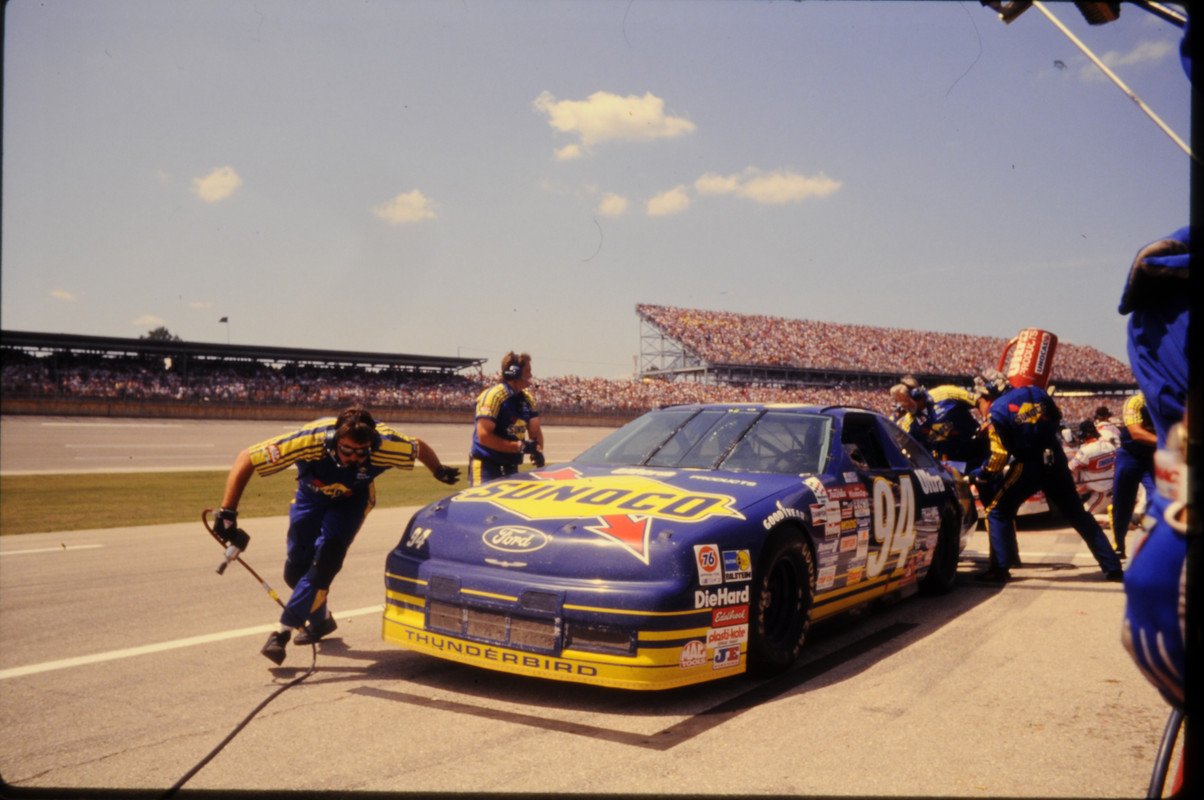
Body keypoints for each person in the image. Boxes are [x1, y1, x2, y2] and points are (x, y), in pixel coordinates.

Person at [213, 407, 460, 665]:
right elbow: (248, 458)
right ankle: (321, 620)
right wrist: (228, 512)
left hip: (352, 501)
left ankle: (282, 632)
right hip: (310, 498)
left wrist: (438, 470)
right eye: (347, 450)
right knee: (295, 573)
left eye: (362, 452)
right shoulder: (309, 440)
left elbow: (417, 447)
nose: (354, 457)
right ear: (333, 440)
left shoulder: (388, 445)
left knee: (326, 563)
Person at [1116, 225, 1190, 718]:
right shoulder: (1133, 403)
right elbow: (1138, 430)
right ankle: (1116, 546)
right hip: (1148, 460)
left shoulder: (1155, 329)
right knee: (1125, 505)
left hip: (1162, 462)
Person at [969, 369, 1123, 583]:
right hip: (1056, 459)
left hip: (1028, 464)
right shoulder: (1036, 391)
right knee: (1078, 515)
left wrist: (982, 473)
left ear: (988, 391)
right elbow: (1057, 416)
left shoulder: (997, 411)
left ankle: (1000, 568)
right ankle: (1112, 567)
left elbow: (1000, 455)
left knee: (997, 510)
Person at [468, 351, 545, 486]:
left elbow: (535, 432)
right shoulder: (493, 396)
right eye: (528, 371)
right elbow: (483, 436)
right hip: (487, 466)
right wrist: (517, 446)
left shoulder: (528, 400)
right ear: (515, 373)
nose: (531, 375)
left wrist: (537, 451)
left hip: (511, 466)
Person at [889, 375, 988, 472]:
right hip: (948, 468)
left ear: (916, 394)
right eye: (900, 403)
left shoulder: (946, 393)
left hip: (978, 453)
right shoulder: (908, 422)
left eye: (905, 401)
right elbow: (904, 446)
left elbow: (979, 401)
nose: (904, 406)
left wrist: (986, 421)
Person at [1110, 391, 1157, 559]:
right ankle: (1119, 543)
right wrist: (1168, 441)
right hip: (1130, 455)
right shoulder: (1136, 401)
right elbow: (1136, 433)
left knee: (1157, 498)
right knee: (1122, 501)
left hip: (1153, 456)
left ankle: (1152, 543)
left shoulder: (1168, 401)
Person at [1068, 419, 1117, 516]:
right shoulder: (1110, 446)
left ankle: (1112, 520)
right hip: (1112, 488)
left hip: (1101, 492)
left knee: (1084, 517)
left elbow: (1070, 467)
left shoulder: (1086, 451)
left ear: (1086, 435)